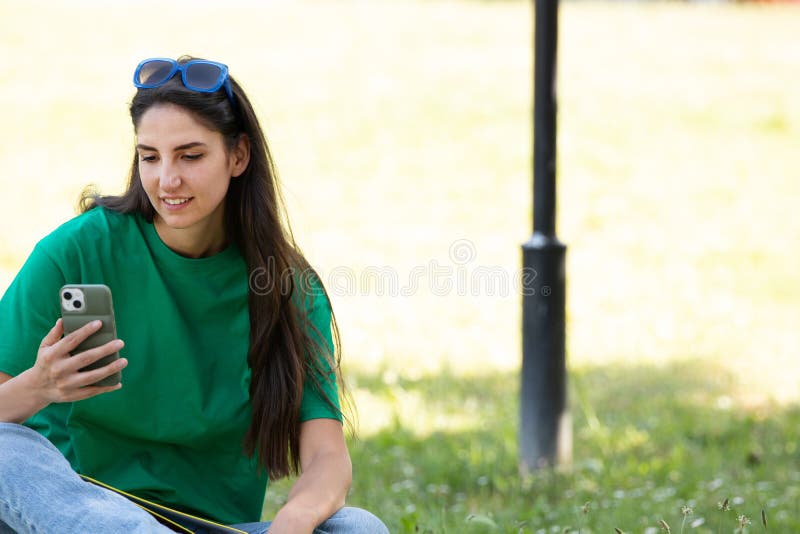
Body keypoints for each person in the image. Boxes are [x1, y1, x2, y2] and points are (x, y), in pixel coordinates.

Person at [0, 56, 388, 534]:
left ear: (238, 156)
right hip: (77, 516)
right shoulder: (78, 250)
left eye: (190, 156)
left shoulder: (286, 287)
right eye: (150, 157)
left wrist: (293, 521)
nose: (167, 180)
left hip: (208, 526)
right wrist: (39, 386)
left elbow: (327, 456)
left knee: (357, 527)